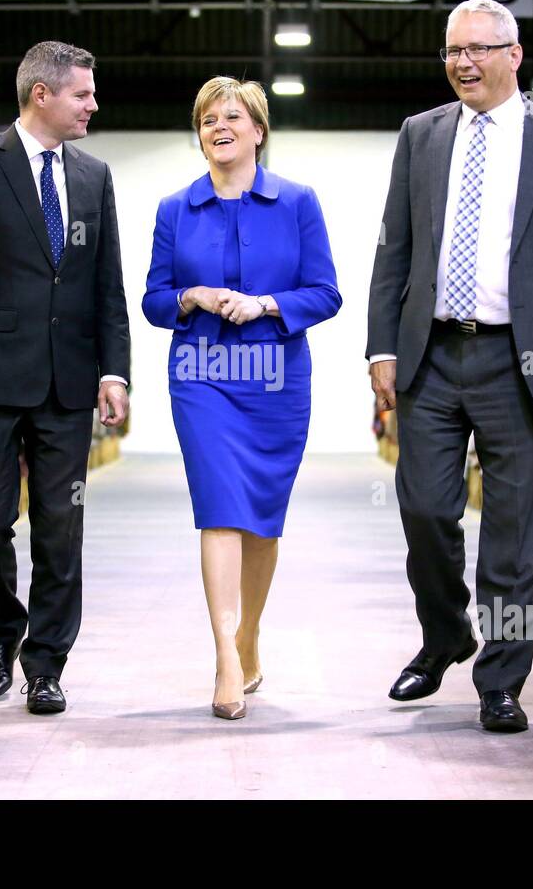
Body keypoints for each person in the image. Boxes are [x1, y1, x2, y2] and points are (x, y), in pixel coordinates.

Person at [366, 0, 533, 732]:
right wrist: (382, 347)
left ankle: (500, 680)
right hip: (432, 355)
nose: (463, 63)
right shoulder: (421, 135)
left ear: (515, 54)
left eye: (479, 49)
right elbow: (394, 250)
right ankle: (445, 634)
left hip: (521, 360)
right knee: (424, 511)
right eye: (452, 51)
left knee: (512, 533)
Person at [0, 41, 131, 715]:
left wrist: (115, 371)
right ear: (42, 94)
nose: (93, 105)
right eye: (82, 94)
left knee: (59, 526)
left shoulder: (94, 177)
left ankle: (45, 663)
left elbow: (107, 285)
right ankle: (1, 631)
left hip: (68, 386)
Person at [143, 77, 341, 720]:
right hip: (201, 377)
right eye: (206, 119)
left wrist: (267, 304)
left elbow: (326, 292)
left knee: (261, 518)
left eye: (232, 116)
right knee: (219, 507)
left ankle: (249, 633)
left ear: (259, 130)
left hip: (277, 379)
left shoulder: (299, 203)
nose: (218, 126)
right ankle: (226, 654)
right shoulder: (176, 208)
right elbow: (152, 299)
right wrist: (190, 297)